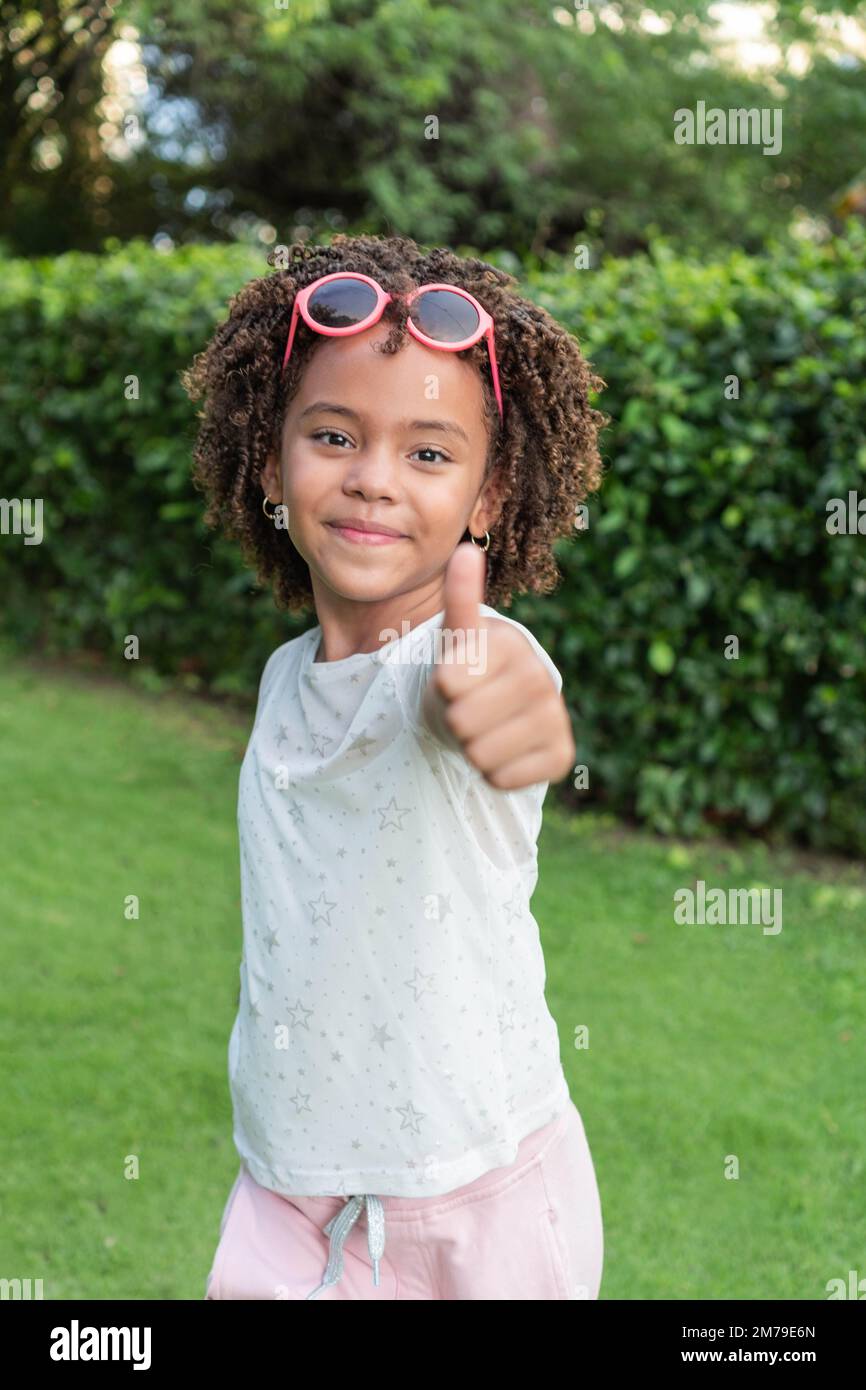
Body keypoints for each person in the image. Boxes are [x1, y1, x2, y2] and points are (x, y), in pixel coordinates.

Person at [181, 232, 607, 1300]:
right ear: (269, 457)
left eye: (427, 453)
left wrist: (508, 702)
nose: (372, 479)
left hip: (479, 1200)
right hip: (291, 1187)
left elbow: (489, 682)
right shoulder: (285, 677)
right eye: (332, 435)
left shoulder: (455, 659)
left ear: (488, 495)